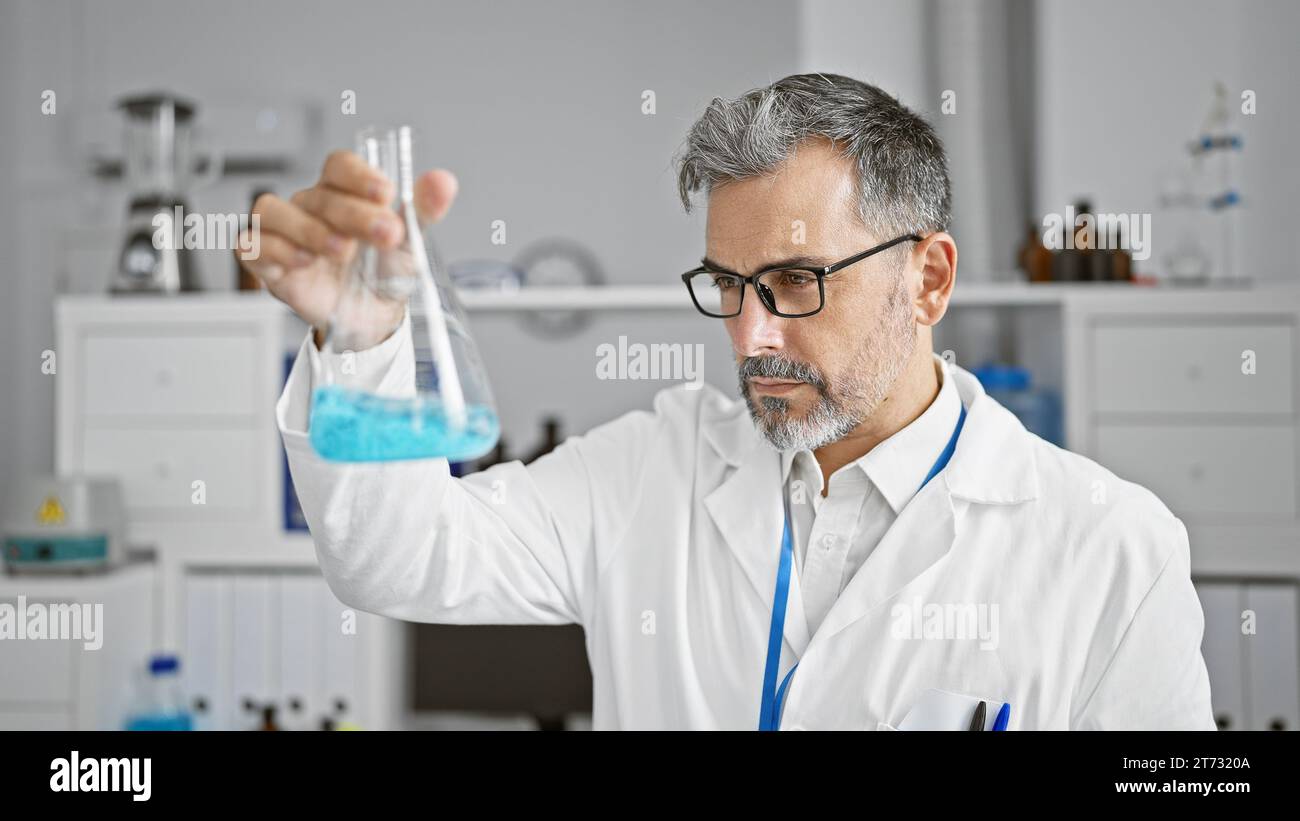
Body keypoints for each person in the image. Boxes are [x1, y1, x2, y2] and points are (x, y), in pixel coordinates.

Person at [241, 73, 1215, 730]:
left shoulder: (1112, 549)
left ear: (928, 279)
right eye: (727, 285)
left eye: (795, 281)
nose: (750, 337)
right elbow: (396, 558)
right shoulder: (649, 468)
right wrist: (365, 337)